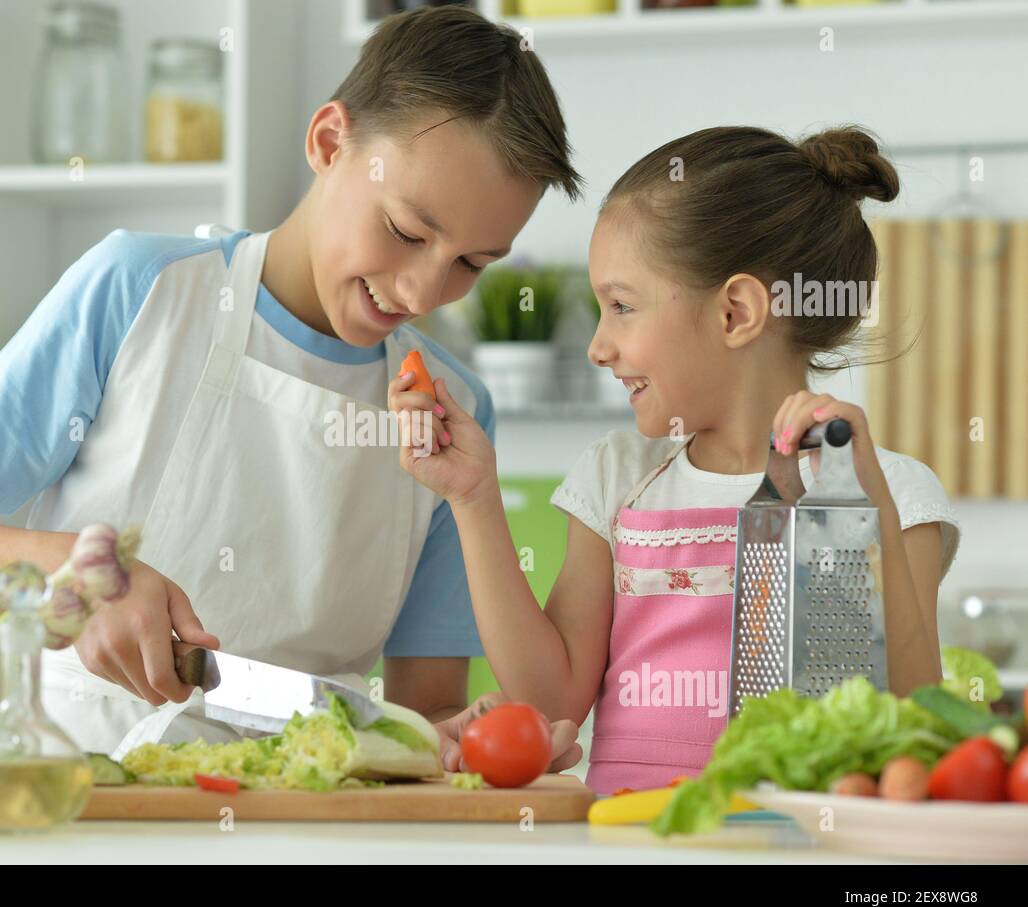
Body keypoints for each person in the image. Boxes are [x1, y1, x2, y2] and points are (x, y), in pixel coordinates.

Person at [0, 6, 585, 757]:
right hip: (68, 796)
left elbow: (422, 713)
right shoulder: (141, 291)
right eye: (407, 231)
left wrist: (462, 744)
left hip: (295, 824)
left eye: (473, 263)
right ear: (330, 142)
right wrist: (74, 572)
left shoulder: (456, 413)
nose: (421, 291)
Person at [393, 126, 961, 792]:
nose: (597, 346)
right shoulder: (619, 477)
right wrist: (472, 496)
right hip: (627, 841)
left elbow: (917, 718)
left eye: (622, 306)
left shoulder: (894, 488)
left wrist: (867, 514)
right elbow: (552, 703)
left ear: (735, 312)